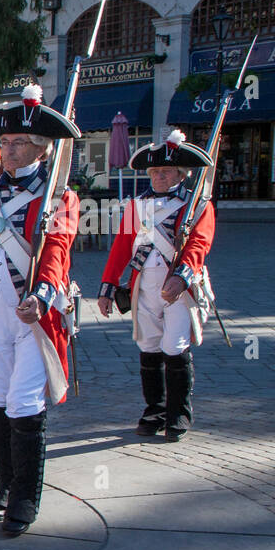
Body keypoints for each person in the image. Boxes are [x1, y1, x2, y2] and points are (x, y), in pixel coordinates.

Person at [0, 85, 80, 537]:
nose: (8, 150)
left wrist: (43, 294)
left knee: (26, 405)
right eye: (4, 143)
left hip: (34, 313)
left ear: (42, 149)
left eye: (18, 142)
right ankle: (4, 488)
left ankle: (26, 496)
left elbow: (57, 250)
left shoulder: (59, 195)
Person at [97, 129, 215, 442]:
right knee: (148, 347)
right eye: (154, 171)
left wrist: (182, 276)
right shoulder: (137, 207)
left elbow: (199, 244)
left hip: (178, 290)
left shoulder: (196, 205)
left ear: (181, 174)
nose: (158, 176)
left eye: (165, 171)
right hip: (143, 288)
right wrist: (108, 285)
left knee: (174, 347)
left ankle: (179, 414)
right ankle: (155, 410)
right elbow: (121, 248)